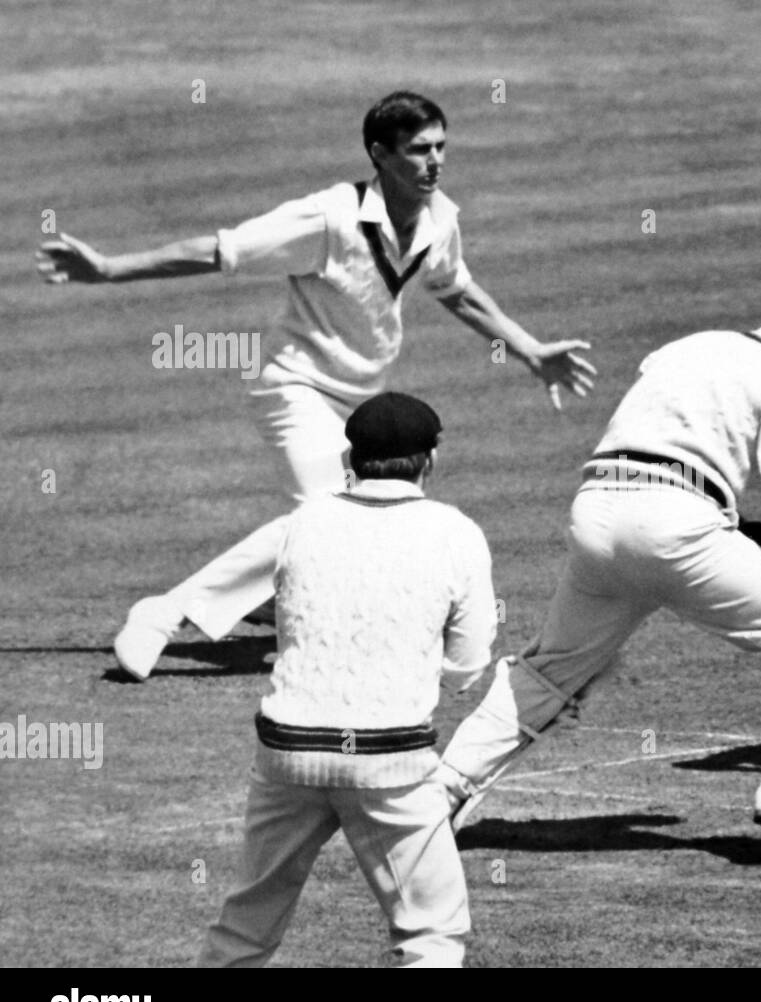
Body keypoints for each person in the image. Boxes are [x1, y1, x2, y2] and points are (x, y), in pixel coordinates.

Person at [35, 90, 594, 680]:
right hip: (294, 387)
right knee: (328, 514)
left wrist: (528, 348)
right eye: (418, 150)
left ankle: (284, 602)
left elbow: (455, 288)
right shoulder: (328, 217)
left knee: (363, 517)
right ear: (380, 153)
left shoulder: (441, 218)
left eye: (440, 147)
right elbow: (220, 251)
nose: (435, 162)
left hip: (360, 401)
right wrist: (108, 269)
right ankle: (164, 614)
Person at [432, 273, 761, 841]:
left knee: (549, 671)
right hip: (678, 527)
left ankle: (438, 794)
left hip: (598, 513)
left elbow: (664, 443)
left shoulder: (682, 349)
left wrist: (730, 526)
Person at [196, 391, 496, 968]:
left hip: (287, 751)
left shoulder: (301, 522)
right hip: (391, 761)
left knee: (246, 925)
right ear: (429, 462)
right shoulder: (457, 532)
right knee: (432, 933)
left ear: (348, 460)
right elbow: (468, 664)